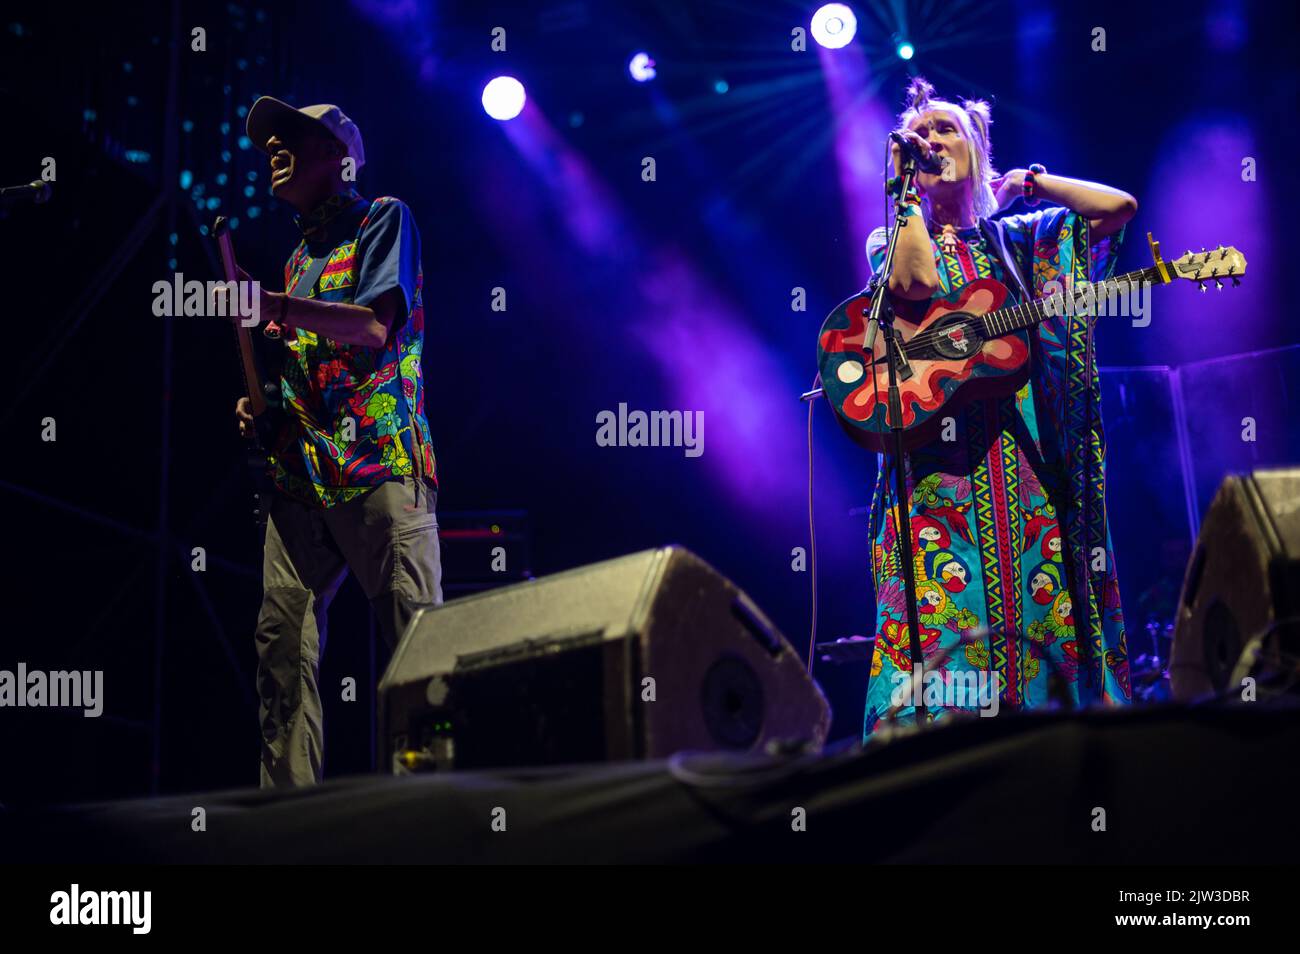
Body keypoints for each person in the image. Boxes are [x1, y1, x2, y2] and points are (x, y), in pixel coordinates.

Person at [863, 78, 1136, 736]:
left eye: (946, 129)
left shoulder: (1020, 241)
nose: (930, 141)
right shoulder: (893, 237)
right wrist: (904, 193)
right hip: (936, 474)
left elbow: (1118, 207)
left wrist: (1028, 184)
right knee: (946, 616)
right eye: (918, 135)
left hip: (1024, 463)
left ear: (978, 149)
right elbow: (913, 282)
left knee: (1041, 607)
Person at [233, 97, 442, 786]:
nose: (272, 148)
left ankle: (431, 808)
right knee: (281, 645)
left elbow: (375, 330)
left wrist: (278, 309)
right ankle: (285, 819)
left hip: (378, 459)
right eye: (268, 141)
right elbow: (310, 365)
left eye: (290, 136)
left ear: (337, 155)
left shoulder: (382, 217)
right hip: (302, 473)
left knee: (417, 640)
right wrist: (262, 407)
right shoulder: (296, 259)